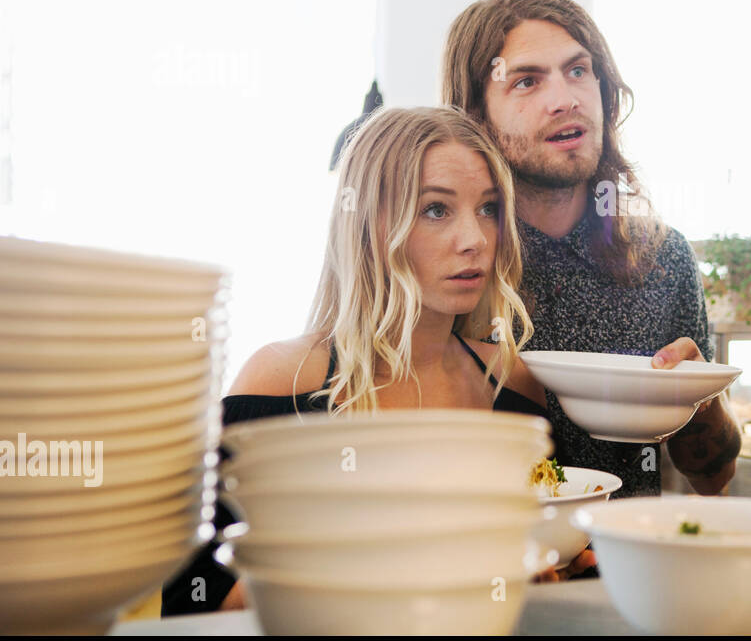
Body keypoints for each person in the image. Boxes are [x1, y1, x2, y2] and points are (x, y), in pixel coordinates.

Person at [163, 106, 554, 615]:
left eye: (488, 209)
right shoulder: (280, 383)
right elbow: (192, 601)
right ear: (369, 224)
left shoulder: (513, 383)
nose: (475, 239)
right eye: (436, 209)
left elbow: (542, 550)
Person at [441, 0, 741, 499]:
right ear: (475, 114)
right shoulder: (458, 259)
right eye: (528, 81)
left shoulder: (663, 257)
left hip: (626, 565)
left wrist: (700, 400)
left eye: (578, 71)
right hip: (490, 558)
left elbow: (711, 476)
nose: (565, 99)